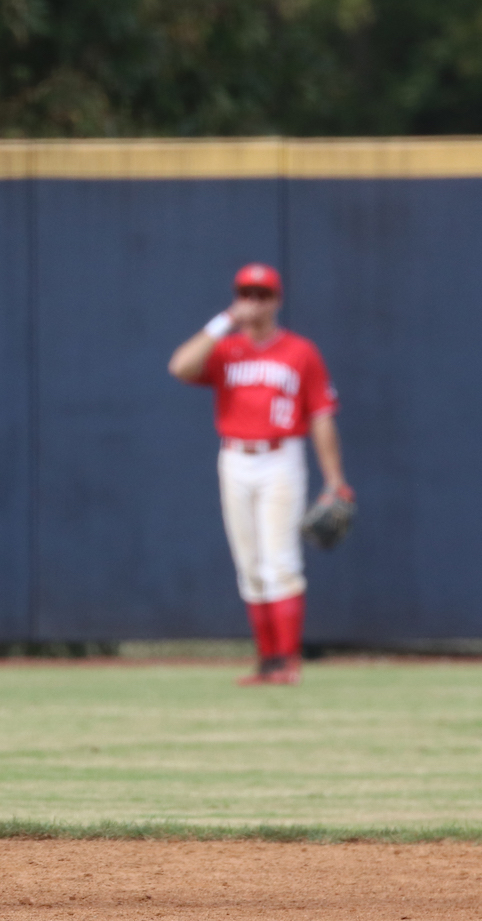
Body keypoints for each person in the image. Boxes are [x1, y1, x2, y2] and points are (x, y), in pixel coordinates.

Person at [168, 263, 351, 686]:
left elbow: (321, 416)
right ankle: (267, 662)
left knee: (280, 562)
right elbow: (180, 366)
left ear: (276, 301)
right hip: (234, 457)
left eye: (262, 295)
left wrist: (334, 479)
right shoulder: (226, 349)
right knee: (249, 565)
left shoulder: (300, 352)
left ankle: (288, 663)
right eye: (246, 294)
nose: (253, 302)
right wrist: (224, 321)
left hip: (280, 457)